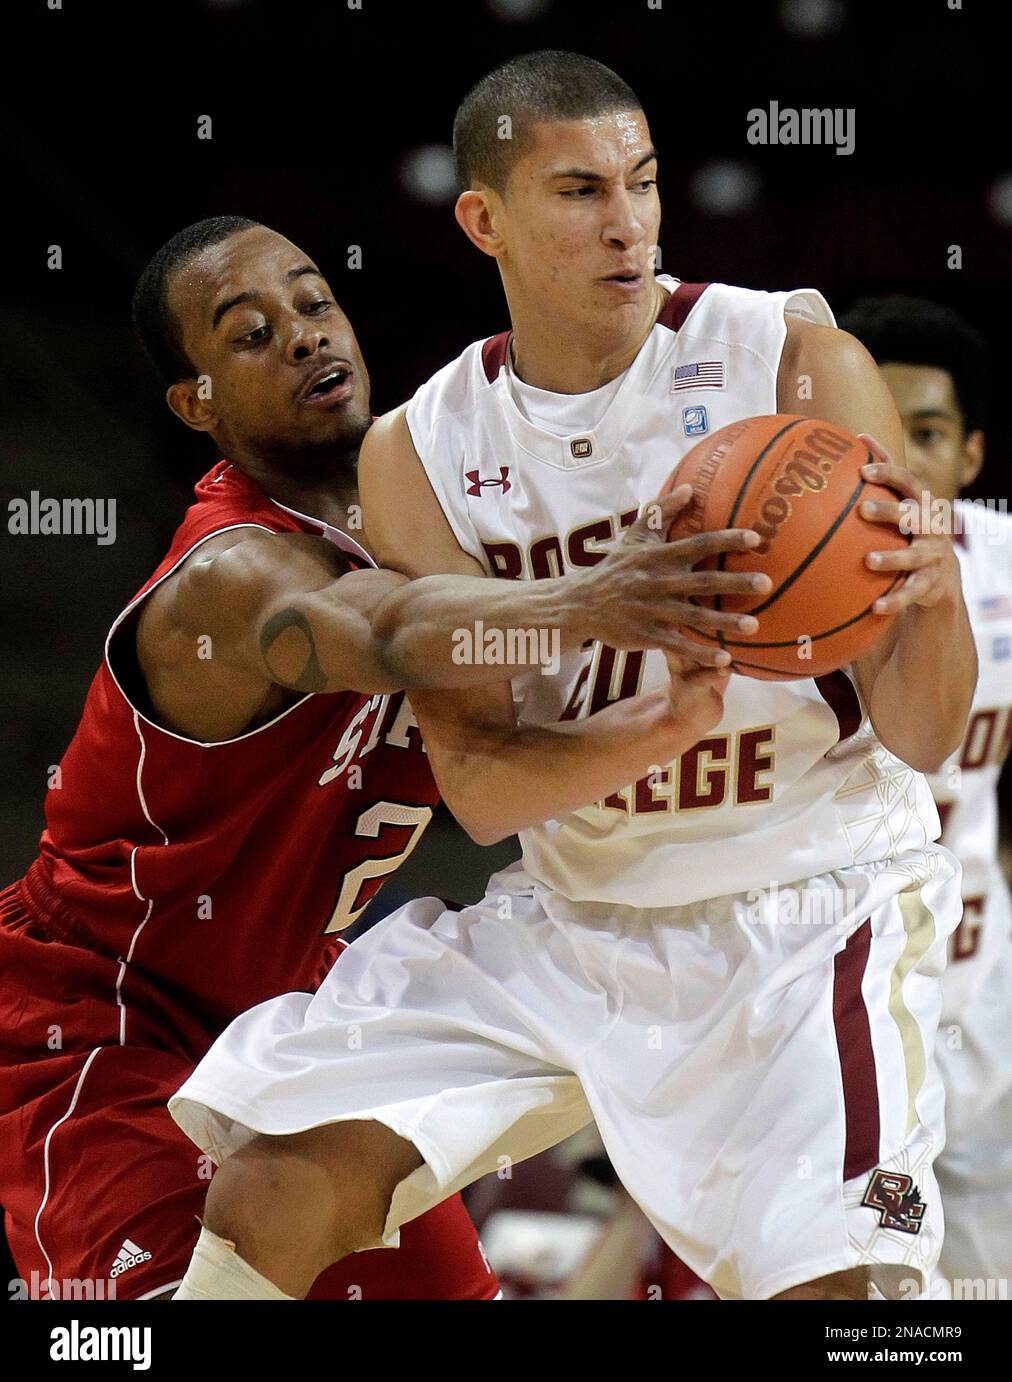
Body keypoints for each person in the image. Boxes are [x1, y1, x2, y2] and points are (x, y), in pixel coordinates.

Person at [169, 51, 976, 1302]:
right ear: (484, 218)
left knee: (846, 1300)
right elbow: (482, 789)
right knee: (270, 1185)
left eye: (643, 184)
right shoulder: (420, 454)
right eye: (580, 190)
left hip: (808, 904)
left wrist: (923, 603)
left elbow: (922, 739)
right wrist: (661, 719)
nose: (628, 224)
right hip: (575, 919)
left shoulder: (793, 363)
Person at [0, 213, 741, 1301]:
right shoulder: (232, 574)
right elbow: (386, 636)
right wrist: (587, 601)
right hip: (102, 1022)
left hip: (300, 1014)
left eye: (312, 302)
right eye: (250, 332)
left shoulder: (429, 510)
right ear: (195, 405)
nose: (302, 336)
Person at [840, 295, 1010, 1296]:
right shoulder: (785, 587)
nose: (906, 457)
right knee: (875, 1283)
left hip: (979, 989)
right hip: (852, 1002)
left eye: (931, 433)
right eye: (885, 430)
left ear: (973, 456)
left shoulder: (1002, 573)